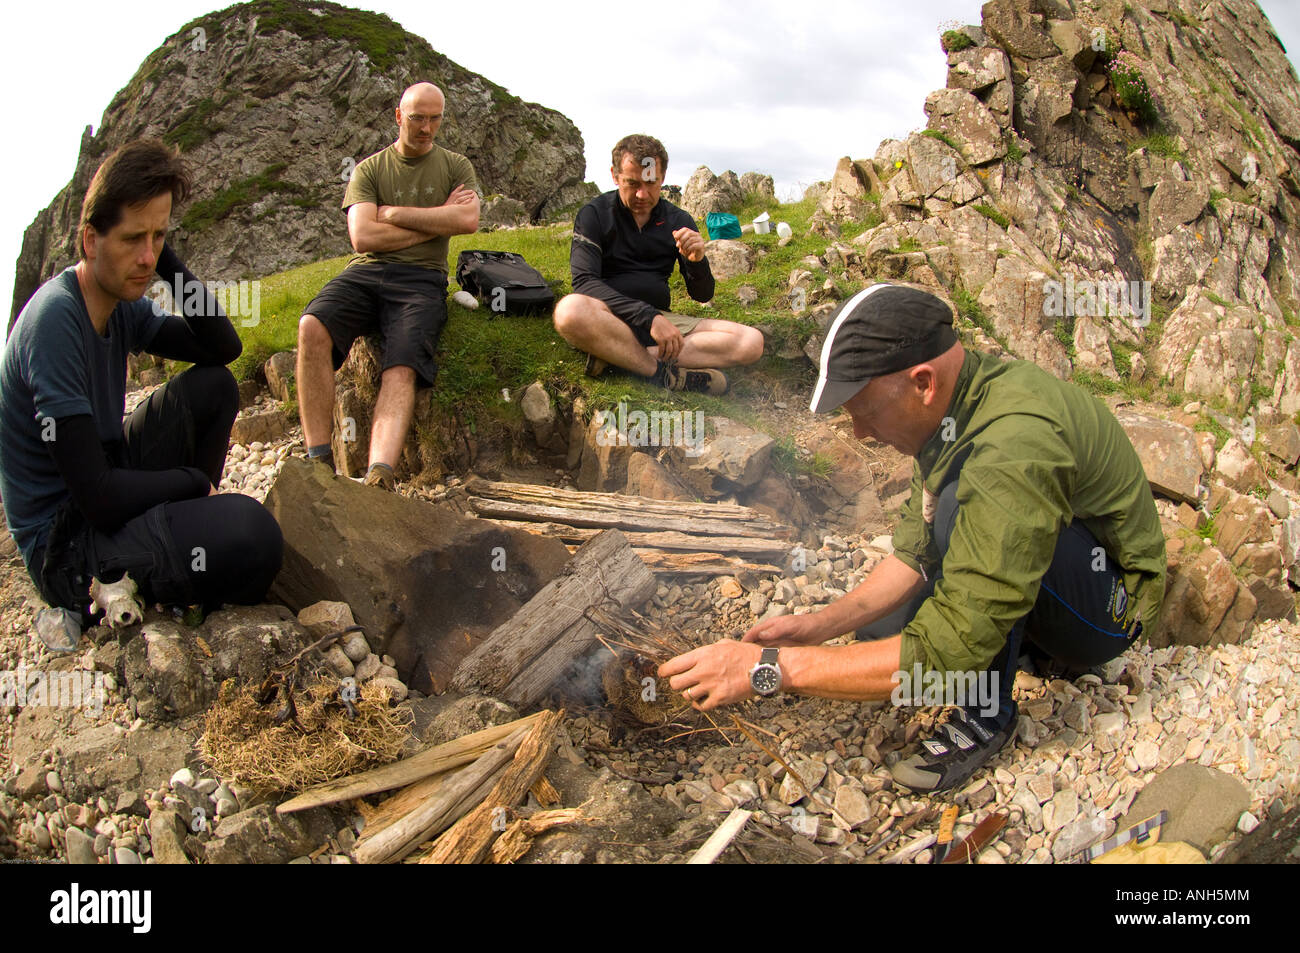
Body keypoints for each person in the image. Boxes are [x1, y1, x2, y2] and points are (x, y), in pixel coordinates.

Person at [659, 283, 1167, 792]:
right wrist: (820, 626)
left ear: (922, 382)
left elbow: (951, 648)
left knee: (959, 531)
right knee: (876, 639)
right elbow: (914, 549)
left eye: (866, 411)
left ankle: (987, 717)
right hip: (1043, 557)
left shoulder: (1012, 445)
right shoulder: (957, 401)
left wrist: (769, 669)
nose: (859, 433)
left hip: (1109, 612)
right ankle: (1020, 634)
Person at [0, 139, 283, 633]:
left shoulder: (120, 302)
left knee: (215, 386)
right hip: (64, 544)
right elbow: (98, 498)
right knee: (253, 535)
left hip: (106, 474)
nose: (146, 257)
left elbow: (222, 347)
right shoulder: (55, 321)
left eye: (159, 236)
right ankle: (176, 553)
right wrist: (193, 484)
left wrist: (162, 257)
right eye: (132, 239)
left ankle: (181, 539)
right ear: (90, 240)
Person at [297, 81, 480, 490]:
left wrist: (394, 213)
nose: (426, 128)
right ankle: (317, 460)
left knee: (402, 365)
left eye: (435, 119)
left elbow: (467, 221)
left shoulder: (455, 165)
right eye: (417, 118)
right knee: (311, 327)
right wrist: (435, 221)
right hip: (365, 271)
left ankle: (380, 473)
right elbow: (363, 238)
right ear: (399, 116)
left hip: (422, 281)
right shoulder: (369, 169)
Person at [552, 134, 763, 396]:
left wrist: (696, 261)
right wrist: (648, 316)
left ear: (662, 178)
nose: (642, 193)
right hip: (607, 318)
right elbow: (584, 283)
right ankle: (663, 374)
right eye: (632, 183)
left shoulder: (678, 219)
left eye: (651, 183)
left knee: (751, 341)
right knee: (569, 310)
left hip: (661, 324)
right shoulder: (594, 214)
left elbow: (702, 295)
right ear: (615, 176)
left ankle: (618, 360)